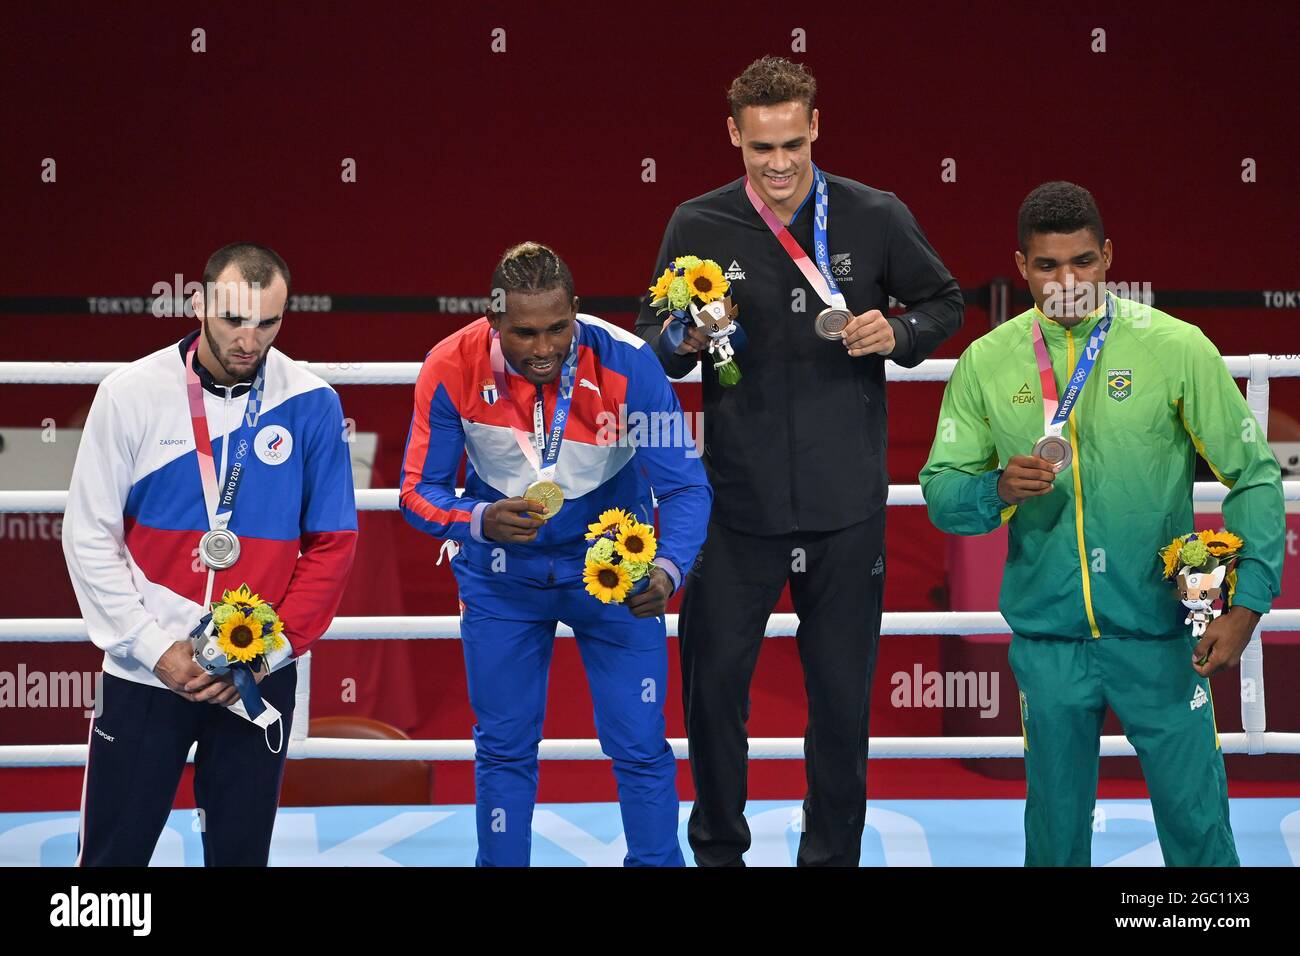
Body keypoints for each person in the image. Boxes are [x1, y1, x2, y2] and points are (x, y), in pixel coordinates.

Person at [634, 56, 964, 866]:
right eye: (759, 148)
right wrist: (685, 335)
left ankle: (831, 857)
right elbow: (656, 349)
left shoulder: (875, 215)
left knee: (842, 706)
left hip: (846, 505)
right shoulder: (696, 224)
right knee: (712, 698)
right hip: (733, 508)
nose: (777, 164)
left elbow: (945, 302)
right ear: (734, 138)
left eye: (791, 143)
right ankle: (718, 853)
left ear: (816, 126)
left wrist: (900, 333)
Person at [920, 181, 1284, 866]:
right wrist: (995, 489)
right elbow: (940, 492)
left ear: (1108, 257)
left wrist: (1248, 603)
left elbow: (1255, 474)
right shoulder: (987, 362)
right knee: (1054, 840)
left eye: (1083, 263)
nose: (1067, 282)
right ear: (1022, 264)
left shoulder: (1175, 347)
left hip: (1163, 637)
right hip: (1050, 642)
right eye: (1048, 266)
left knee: (1197, 827)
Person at [400, 241, 711, 866]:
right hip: (501, 580)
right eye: (524, 333)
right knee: (504, 747)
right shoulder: (450, 366)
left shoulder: (627, 363)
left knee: (640, 743)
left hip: (615, 573)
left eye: (557, 329)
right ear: (492, 322)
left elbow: (683, 485)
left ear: (577, 310)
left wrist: (668, 567)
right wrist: (479, 520)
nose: (543, 350)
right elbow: (416, 492)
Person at [63, 242, 358, 866]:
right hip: (147, 670)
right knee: (110, 865)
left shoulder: (311, 403)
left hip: (257, 673)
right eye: (233, 319)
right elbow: (88, 533)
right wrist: (151, 647)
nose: (249, 339)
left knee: (240, 856)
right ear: (197, 304)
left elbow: (333, 544)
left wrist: (265, 650)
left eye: (267, 322)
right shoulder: (129, 393)